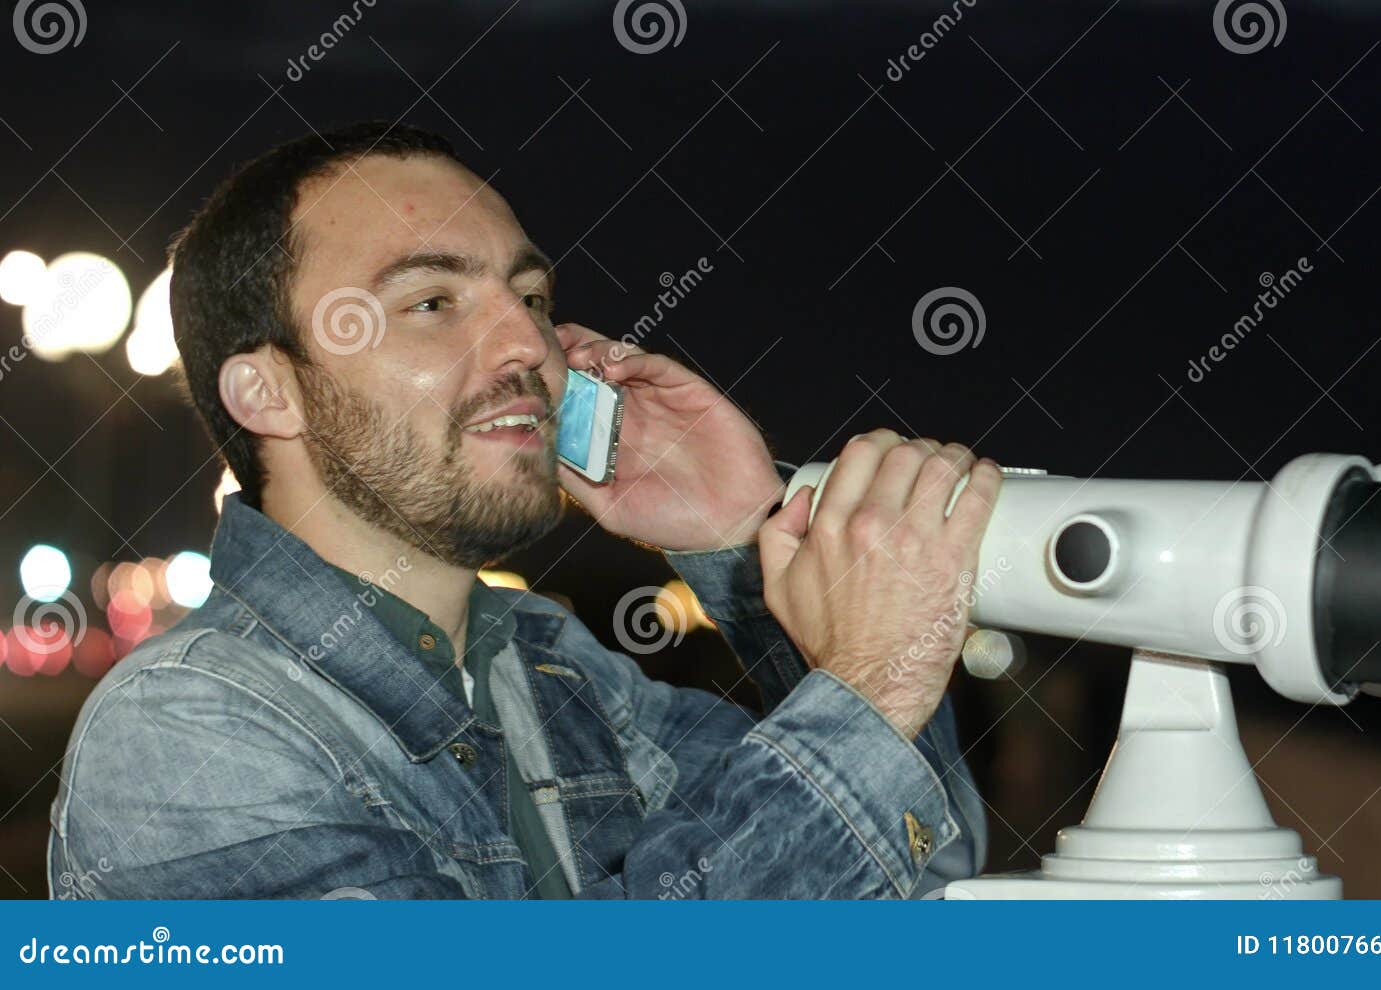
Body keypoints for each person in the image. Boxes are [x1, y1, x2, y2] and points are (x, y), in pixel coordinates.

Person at [48, 121, 1002, 899]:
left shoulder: (555, 671)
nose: (531, 346)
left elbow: (923, 870)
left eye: (532, 296)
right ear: (269, 394)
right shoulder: (184, 731)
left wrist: (748, 542)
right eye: (430, 302)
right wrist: (870, 684)